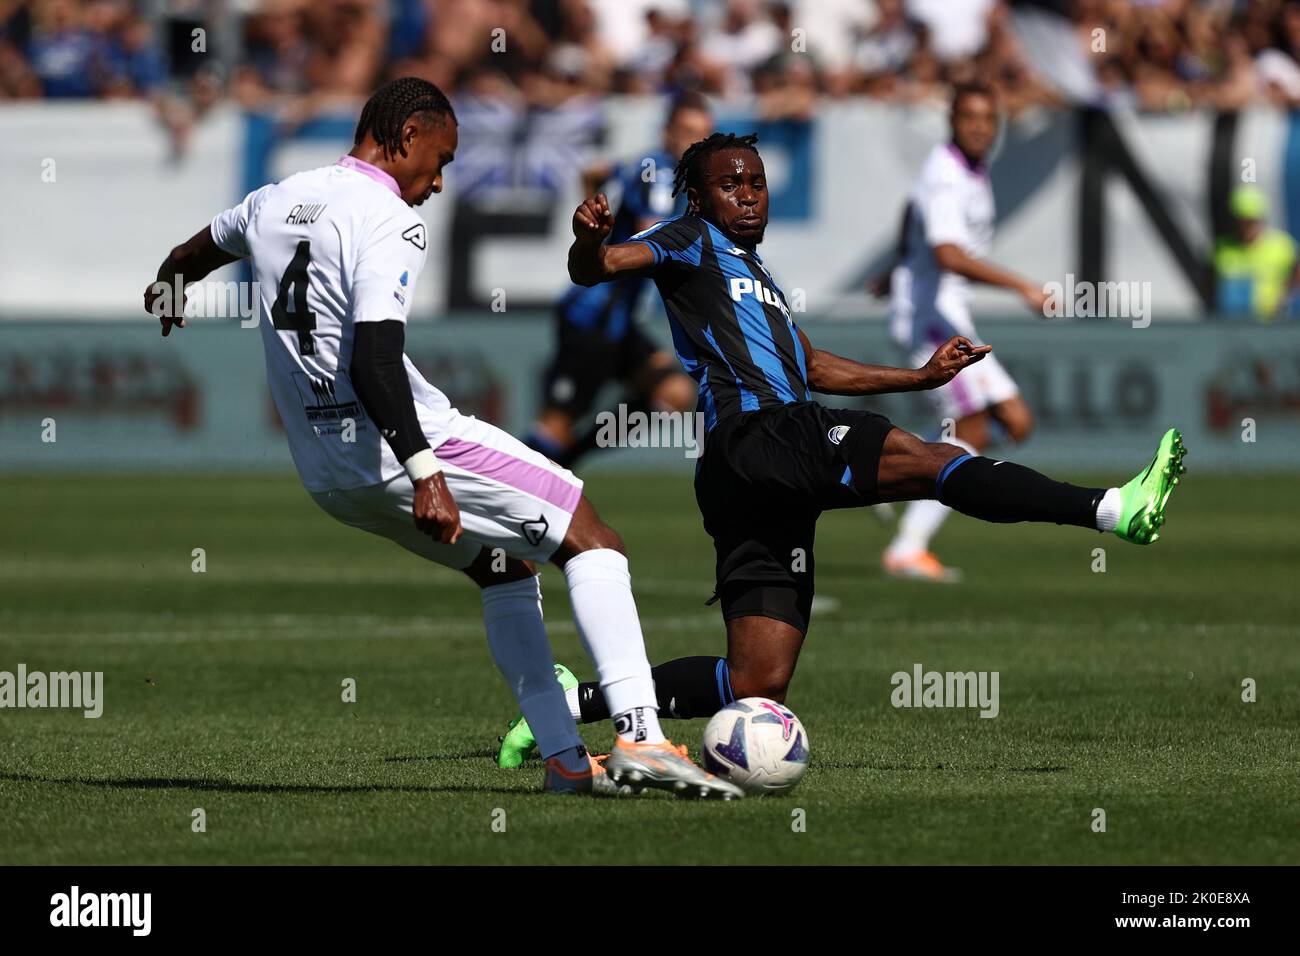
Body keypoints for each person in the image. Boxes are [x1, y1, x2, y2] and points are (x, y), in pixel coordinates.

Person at [496, 129, 1185, 762]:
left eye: (757, 182)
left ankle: (568, 702)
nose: (746, 194)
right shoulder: (689, 238)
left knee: (754, 681)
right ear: (700, 197)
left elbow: (812, 364)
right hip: (761, 436)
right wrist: (589, 241)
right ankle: (1111, 508)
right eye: (730, 184)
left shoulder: (756, 277)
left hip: (744, 475)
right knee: (935, 461)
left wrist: (919, 376)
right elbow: (600, 267)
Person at [143, 77, 742, 800]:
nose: (438, 181)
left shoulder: (275, 199)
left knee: (504, 571)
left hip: (329, 474)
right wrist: (425, 468)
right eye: (442, 159)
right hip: (405, 446)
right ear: (407, 138)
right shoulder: (387, 217)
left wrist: (172, 282)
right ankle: (642, 735)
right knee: (594, 538)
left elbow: (195, 249)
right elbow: (372, 356)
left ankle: (564, 762)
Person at [873, 82, 1048, 583]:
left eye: (987, 118)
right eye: (969, 116)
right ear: (951, 120)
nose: (978, 126)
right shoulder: (947, 174)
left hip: (944, 310)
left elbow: (915, 213)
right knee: (971, 429)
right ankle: (908, 545)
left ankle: (889, 467)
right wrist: (1021, 286)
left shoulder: (969, 169)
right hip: (931, 317)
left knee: (1014, 423)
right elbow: (949, 254)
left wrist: (899, 263)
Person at [524, 93, 713, 468]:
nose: (697, 143)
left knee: (672, 392)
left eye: (704, 135)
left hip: (618, 318)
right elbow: (653, 235)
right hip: (593, 316)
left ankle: (567, 460)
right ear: (668, 132)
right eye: (688, 132)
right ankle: (503, 484)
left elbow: (592, 172)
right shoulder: (660, 174)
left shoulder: (640, 165)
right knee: (555, 425)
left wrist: (593, 227)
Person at [1214, 185, 1300, 321]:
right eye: (1241, 221)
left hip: (1269, 324)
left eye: (1250, 222)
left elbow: (1296, 271)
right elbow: (1208, 282)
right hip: (1229, 325)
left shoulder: (1282, 245)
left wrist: (1284, 297)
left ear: (1260, 219)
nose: (1245, 227)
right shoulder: (1222, 248)